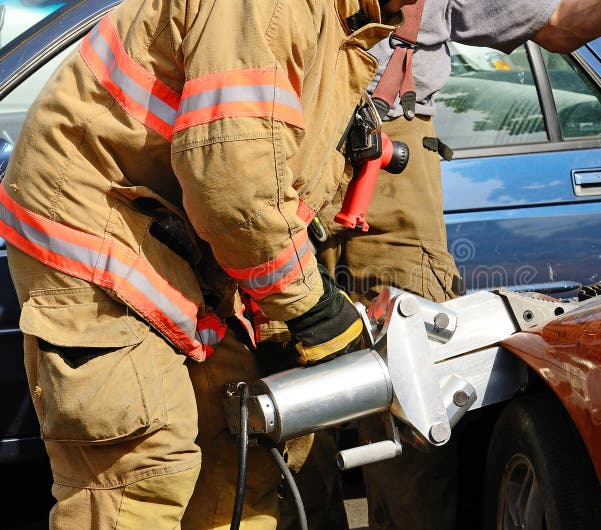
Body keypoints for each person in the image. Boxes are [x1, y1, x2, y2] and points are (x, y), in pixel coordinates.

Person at [0, 0, 414, 527]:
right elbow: (234, 182)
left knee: (237, 447)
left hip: (185, 240)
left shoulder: (345, 22)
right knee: (141, 469)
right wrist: (313, 308)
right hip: (98, 230)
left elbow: (271, 174)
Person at [277, 0, 601, 528]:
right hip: (276, 160)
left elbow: (559, 23)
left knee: (412, 401)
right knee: (286, 412)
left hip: (390, 162)